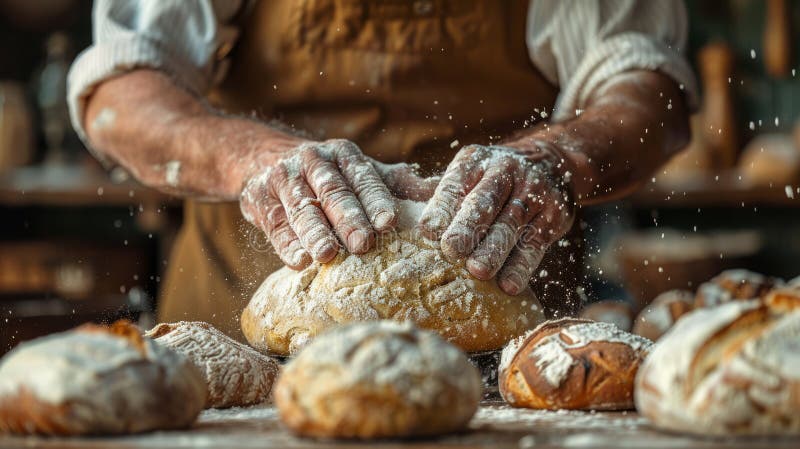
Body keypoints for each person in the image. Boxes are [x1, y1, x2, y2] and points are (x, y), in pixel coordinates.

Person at [68, 0, 695, 338]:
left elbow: (648, 94)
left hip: (505, 341)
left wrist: (552, 158)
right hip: (239, 342)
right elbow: (121, 97)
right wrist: (258, 160)